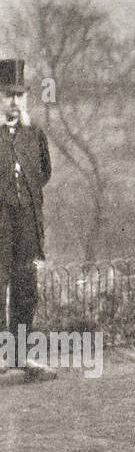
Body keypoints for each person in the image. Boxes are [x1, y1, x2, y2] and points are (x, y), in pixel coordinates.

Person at [0, 59, 56, 383]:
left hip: (27, 222)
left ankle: (21, 355)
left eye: (20, 95)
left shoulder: (34, 135)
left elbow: (43, 173)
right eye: (8, 95)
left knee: (25, 289)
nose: (15, 102)